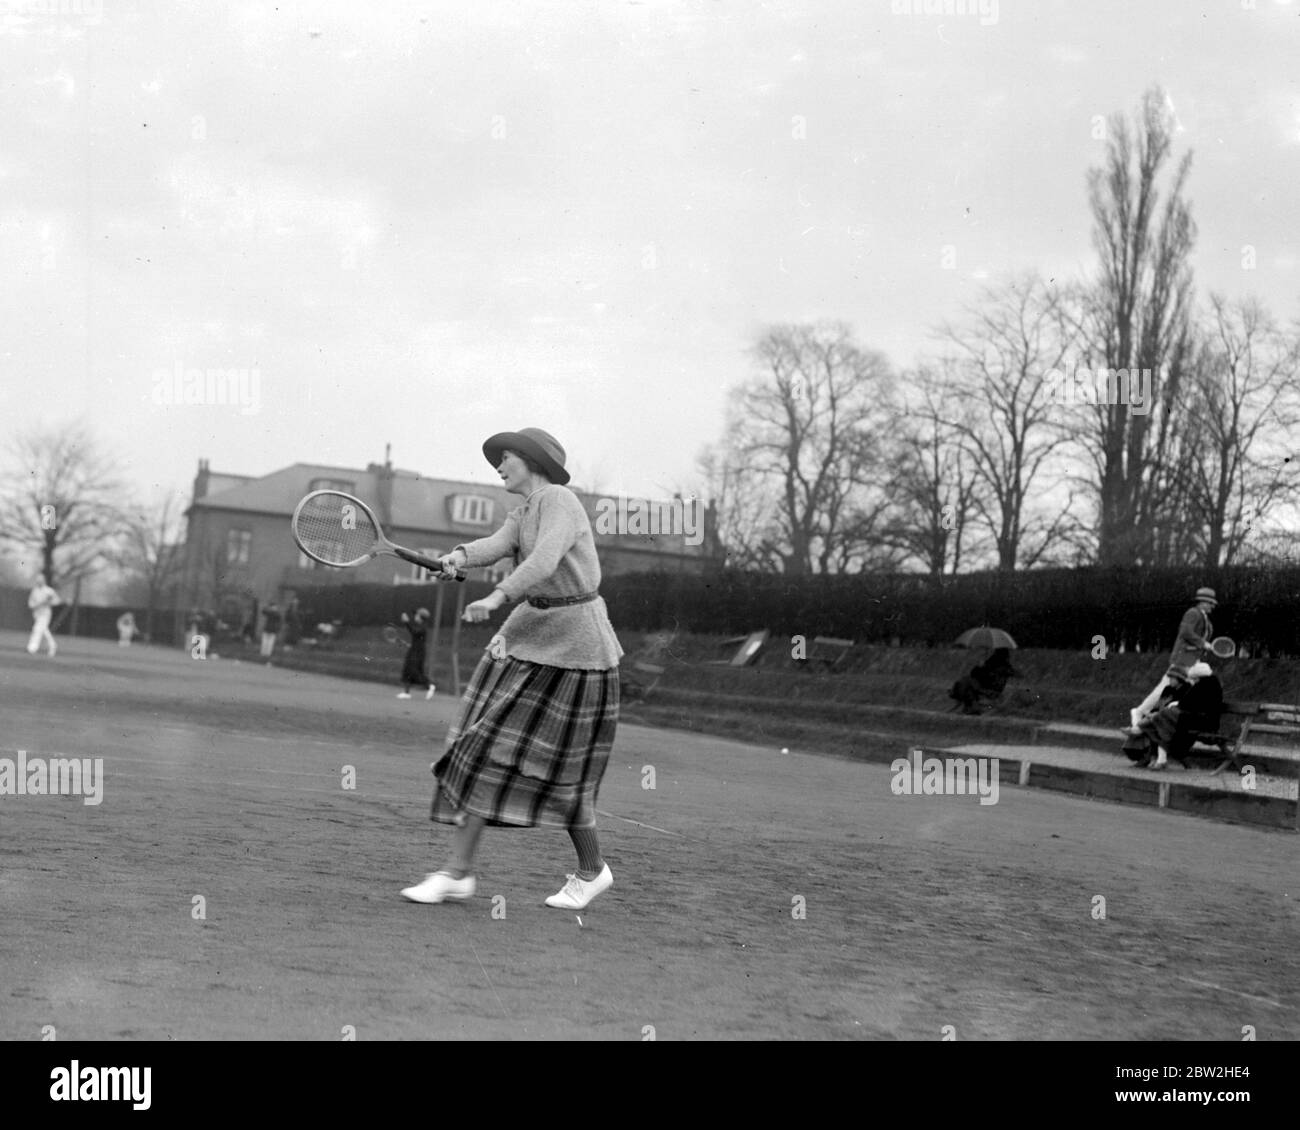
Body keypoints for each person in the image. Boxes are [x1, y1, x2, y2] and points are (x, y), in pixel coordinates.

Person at [401, 427, 624, 910]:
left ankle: (592, 871)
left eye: (506, 458)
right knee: (482, 749)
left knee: (561, 773)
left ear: (532, 460)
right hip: (530, 639)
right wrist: (457, 558)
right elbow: (497, 544)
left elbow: (544, 560)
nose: (498, 467)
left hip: (580, 649)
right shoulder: (522, 512)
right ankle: (457, 873)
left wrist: (499, 595)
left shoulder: (560, 500)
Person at [1129, 587, 1217, 730]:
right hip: (1182, 659)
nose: (1213, 606)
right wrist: (1203, 643)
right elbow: (1185, 632)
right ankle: (1140, 712)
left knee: (1185, 688)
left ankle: (1156, 718)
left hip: (1192, 660)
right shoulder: (1193, 613)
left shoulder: (1205, 619)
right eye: (1210, 603)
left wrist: (1204, 646)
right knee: (1166, 688)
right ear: (1202, 602)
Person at [1126, 661, 1223, 770]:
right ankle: (1158, 755)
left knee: (1163, 716)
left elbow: (1187, 704)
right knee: (1163, 717)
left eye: (1195, 678)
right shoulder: (1205, 684)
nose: (1193, 681)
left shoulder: (1205, 686)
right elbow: (1187, 704)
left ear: (1199, 676)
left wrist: (1174, 706)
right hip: (1195, 718)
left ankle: (1140, 728)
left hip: (1204, 723)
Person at [950, 647, 1020, 715]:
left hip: (990, 690)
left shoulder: (1002, 667)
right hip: (983, 687)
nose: (994, 654)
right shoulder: (992, 662)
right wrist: (980, 667)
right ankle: (971, 707)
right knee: (968, 683)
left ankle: (970, 706)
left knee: (967, 682)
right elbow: (976, 674)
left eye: (996, 652)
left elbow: (983, 676)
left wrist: (982, 668)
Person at [397, 608, 435, 700]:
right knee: (407, 670)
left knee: (414, 671)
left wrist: (406, 622)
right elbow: (416, 638)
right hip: (414, 650)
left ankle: (430, 685)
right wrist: (410, 645)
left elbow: (414, 632)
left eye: (417, 615)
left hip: (418, 653)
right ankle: (406, 693)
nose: (415, 616)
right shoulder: (419, 625)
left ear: (421, 617)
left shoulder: (423, 626)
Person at [27, 575, 61, 658]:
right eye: (38, 581)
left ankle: (32, 648)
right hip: (37, 614)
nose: (39, 582)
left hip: (45, 614)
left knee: (37, 629)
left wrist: (48, 602)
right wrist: (36, 605)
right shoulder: (34, 591)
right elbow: (31, 604)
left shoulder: (49, 591)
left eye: (40, 580)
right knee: (44, 630)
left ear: (44, 581)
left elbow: (57, 601)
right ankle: (52, 645)